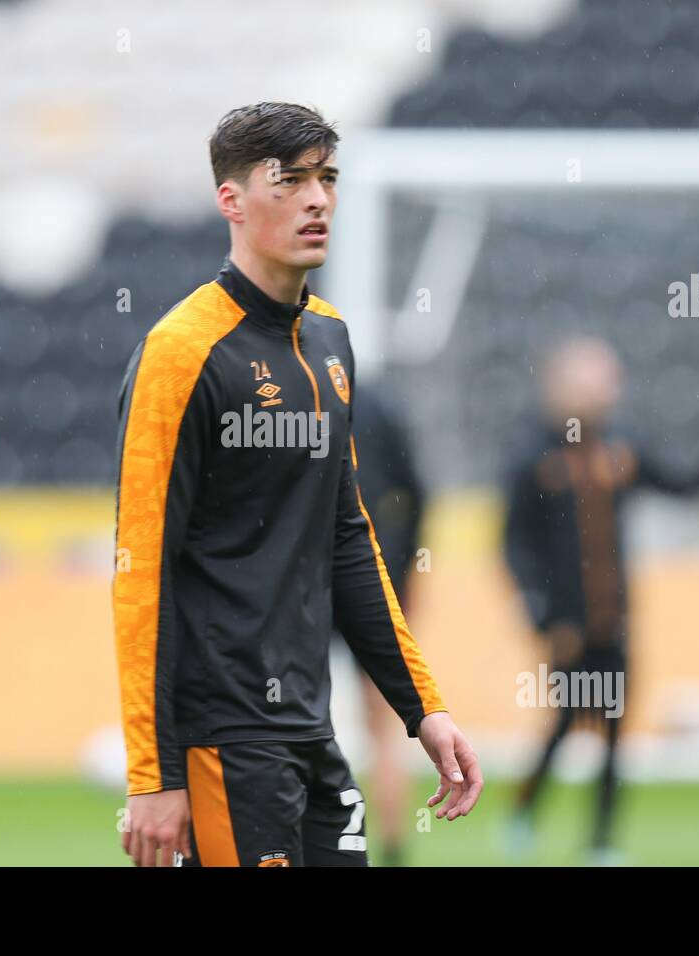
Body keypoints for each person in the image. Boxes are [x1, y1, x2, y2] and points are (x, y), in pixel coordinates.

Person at [112, 102, 482, 867]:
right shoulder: (180, 353)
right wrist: (154, 775)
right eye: (291, 180)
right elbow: (142, 573)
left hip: (311, 730)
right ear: (232, 200)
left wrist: (424, 710)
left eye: (328, 178)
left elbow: (347, 535)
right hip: (223, 739)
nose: (318, 199)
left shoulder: (329, 340)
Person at [502, 335, 699, 864]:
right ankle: (524, 814)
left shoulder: (620, 449)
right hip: (568, 625)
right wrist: (543, 614)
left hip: (613, 619)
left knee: (615, 732)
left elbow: (684, 485)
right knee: (569, 722)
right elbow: (514, 544)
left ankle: (601, 842)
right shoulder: (535, 456)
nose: (605, 392)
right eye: (593, 380)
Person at [344, 383, 427, 867]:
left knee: (290, 717)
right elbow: (417, 492)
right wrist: (407, 568)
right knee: (385, 726)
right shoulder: (379, 403)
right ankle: (392, 848)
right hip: (374, 578)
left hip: (306, 582)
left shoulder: (284, 394)